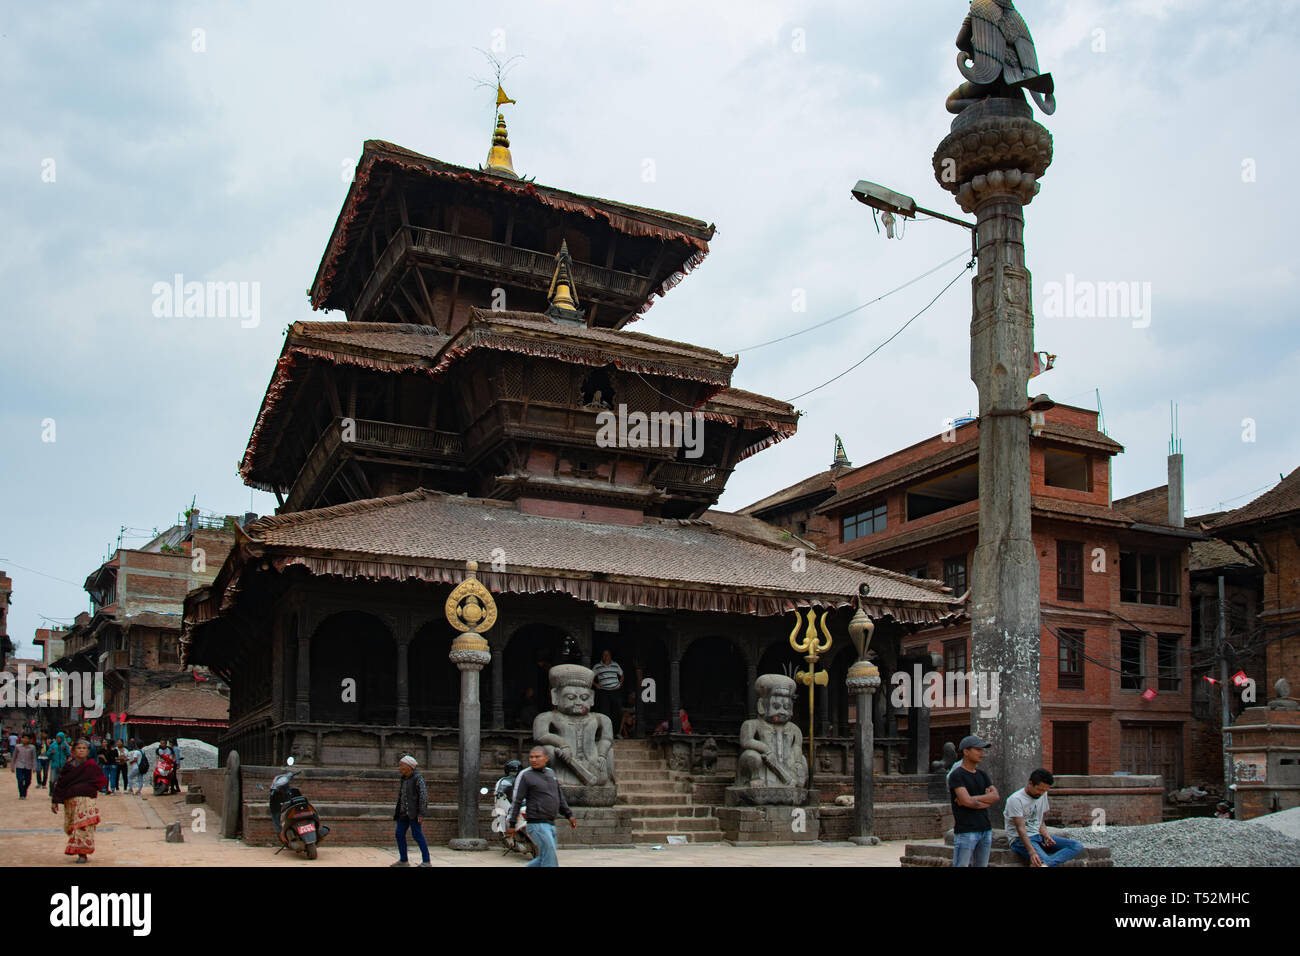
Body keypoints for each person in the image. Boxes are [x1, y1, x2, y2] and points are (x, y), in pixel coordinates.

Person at [506, 746, 577, 867]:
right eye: (531, 757)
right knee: (551, 862)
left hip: (550, 824)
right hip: (537, 825)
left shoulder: (551, 773)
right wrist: (512, 824)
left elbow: (559, 796)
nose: (533, 760)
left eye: (537, 757)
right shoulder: (526, 775)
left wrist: (569, 815)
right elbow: (517, 801)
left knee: (544, 858)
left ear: (546, 759)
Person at [1005, 768, 1085, 867]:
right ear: (1030, 783)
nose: (1042, 793)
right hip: (1020, 840)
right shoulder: (1016, 799)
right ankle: (1045, 864)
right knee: (1043, 861)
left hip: (1038, 836)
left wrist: (1046, 835)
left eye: (1045, 790)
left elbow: (1040, 821)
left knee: (1076, 846)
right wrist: (1032, 852)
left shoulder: (1042, 795)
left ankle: (1045, 864)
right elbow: (1021, 829)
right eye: (1039, 789)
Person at [50, 739, 107, 863]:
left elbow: (101, 780)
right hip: (72, 801)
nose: (81, 750)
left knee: (85, 825)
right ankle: (77, 849)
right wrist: (55, 800)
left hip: (87, 800)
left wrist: (88, 787)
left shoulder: (92, 765)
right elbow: (61, 783)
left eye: (84, 748)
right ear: (73, 751)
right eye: (78, 748)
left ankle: (83, 853)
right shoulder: (68, 766)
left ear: (88, 751)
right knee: (74, 826)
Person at [948, 734, 998, 867]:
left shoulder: (983, 775)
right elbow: (966, 802)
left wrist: (973, 799)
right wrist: (984, 801)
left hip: (985, 829)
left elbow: (995, 796)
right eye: (978, 749)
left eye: (982, 750)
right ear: (966, 751)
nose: (981, 753)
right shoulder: (957, 775)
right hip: (966, 830)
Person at [392, 755, 430, 867]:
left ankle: (426, 861)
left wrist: (422, 813)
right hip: (403, 813)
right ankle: (403, 860)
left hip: (414, 813)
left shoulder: (418, 778)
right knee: (399, 834)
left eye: (401, 765)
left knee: (417, 835)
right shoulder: (403, 779)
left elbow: (423, 797)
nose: (399, 768)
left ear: (409, 766)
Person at [591, 650, 624, 725]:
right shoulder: (597, 666)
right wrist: (596, 685)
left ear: (610, 656)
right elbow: (590, 676)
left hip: (615, 691)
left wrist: (620, 684)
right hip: (604, 692)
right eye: (604, 655)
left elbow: (622, 675)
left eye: (607, 655)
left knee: (616, 711)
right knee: (604, 712)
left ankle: (615, 732)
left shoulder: (615, 665)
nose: (606, 657)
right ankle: (605, 731)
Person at [12, 733, 36, 799]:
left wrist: (34, 767)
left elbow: (34, 757)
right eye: (24, 738)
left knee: (28, 781)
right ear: (21, 739)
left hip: (28, 766)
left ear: (29, 740)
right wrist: (12, 766)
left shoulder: (32, 747)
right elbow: (14, 757)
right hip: (19, 766)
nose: (25, 740)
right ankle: (21, 795)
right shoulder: (17, 747)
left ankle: (24, 790)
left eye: (27, 738)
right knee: (20, 780)